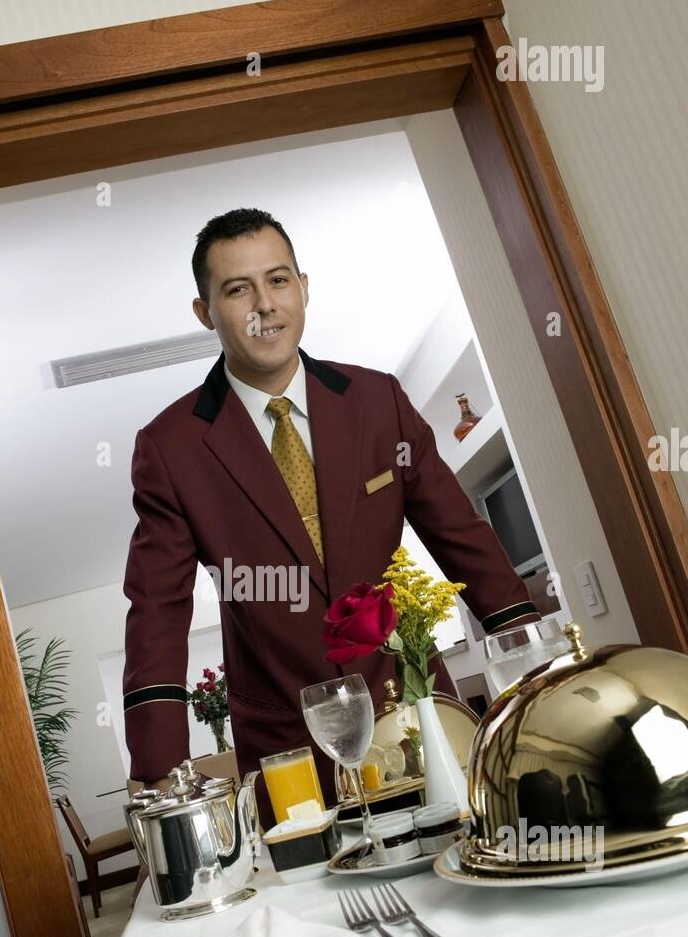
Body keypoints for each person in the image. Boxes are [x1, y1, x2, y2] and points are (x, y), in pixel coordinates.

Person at [123, 207, 539, 831]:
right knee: (326, 920)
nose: (265, 306)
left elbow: (461, 535)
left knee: (476, 867)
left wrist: (531, 665)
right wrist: (160, 767)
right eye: (238, 290)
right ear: (205, 312)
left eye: (279, 280)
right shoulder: (172, 447)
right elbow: (157, 606)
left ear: (304, 286)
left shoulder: (379, 402)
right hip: (290, 747)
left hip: (418, 713)